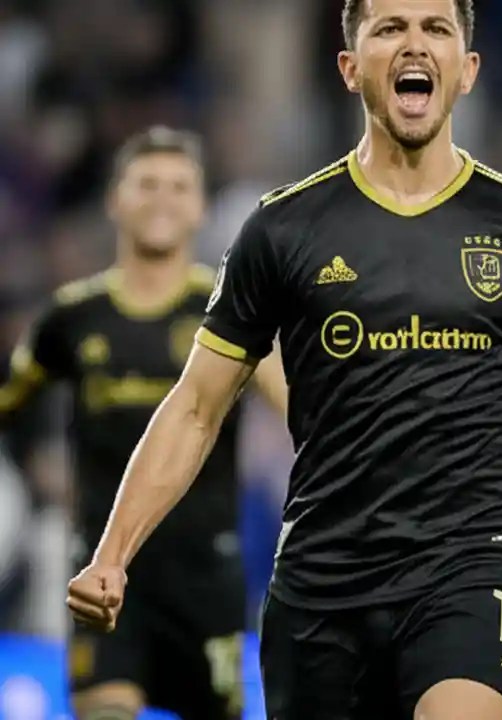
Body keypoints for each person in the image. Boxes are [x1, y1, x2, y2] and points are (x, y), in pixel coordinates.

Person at [67, 1, 502, 719]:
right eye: (390, 28)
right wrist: (112, 555)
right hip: (322, 585)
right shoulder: (281, 230)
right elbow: (196, 408)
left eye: (436, 29)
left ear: (468, 70)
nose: (414, 44)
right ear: (349, 67)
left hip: (475, 564)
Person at [0, 126, 288, 720]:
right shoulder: (73, 317)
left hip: (206, 579)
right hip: (103, 580)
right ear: (115, 199)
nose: (163, 199)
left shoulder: (231, 312)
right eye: (147, 184)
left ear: (201, 206)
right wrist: (36, 466)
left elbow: (305, 414)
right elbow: (12, 403)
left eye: (179, 187)